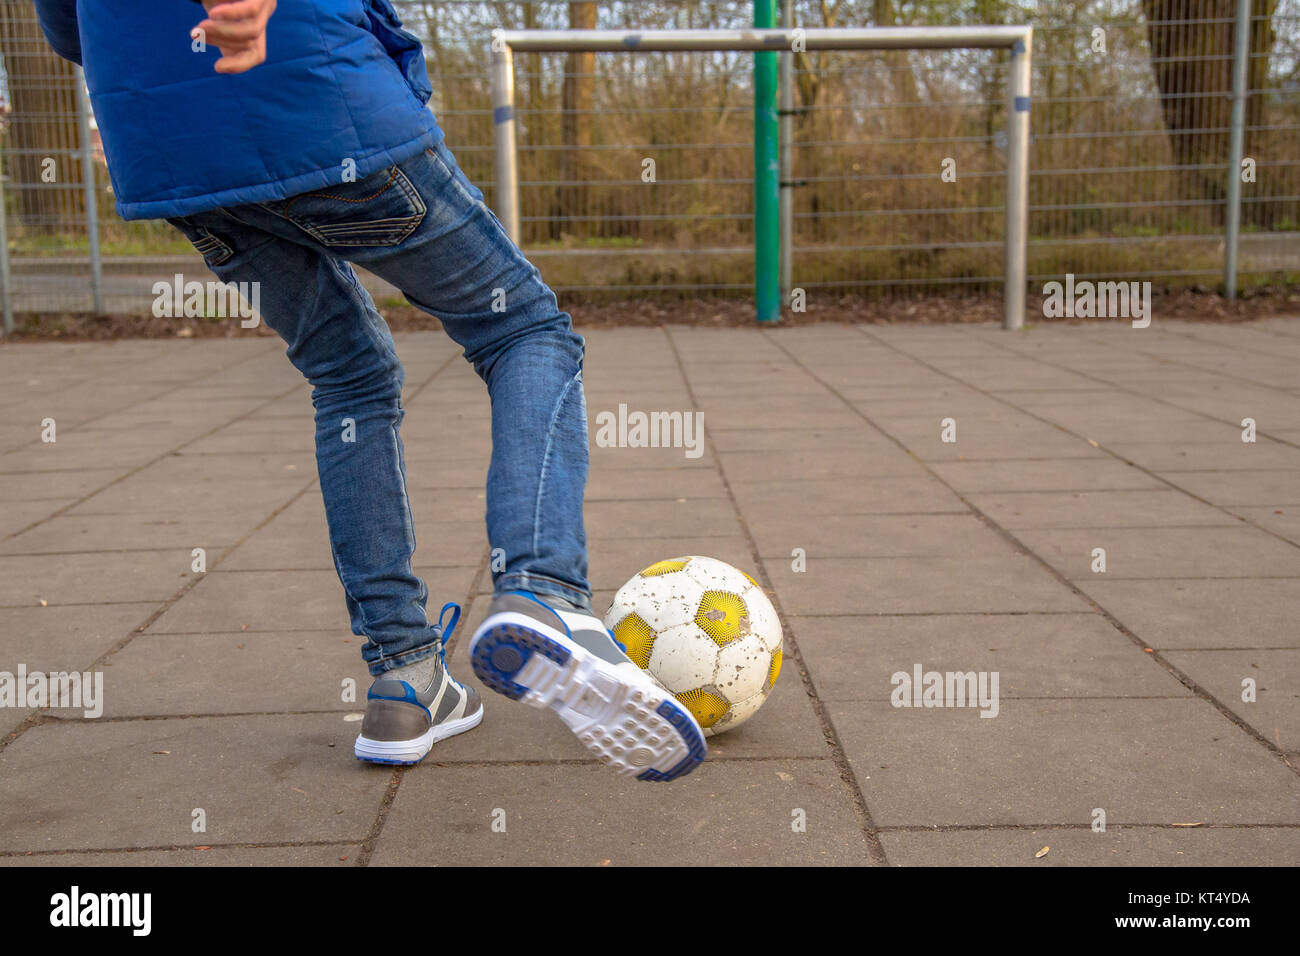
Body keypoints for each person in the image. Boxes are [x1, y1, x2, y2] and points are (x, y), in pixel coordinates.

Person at [34, 0, 705, 782]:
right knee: (523, 329)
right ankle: (543, 584)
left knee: (347, 377)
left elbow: (65, 29)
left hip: (172, 148)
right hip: (312, 100)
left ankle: (406, 675)